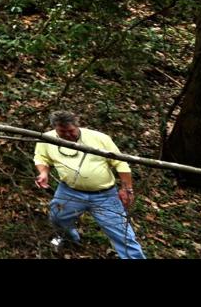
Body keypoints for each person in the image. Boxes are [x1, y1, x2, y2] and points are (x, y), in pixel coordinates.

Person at [33, 110, 147, 259]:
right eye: (62, 132)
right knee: (57, 218)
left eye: (71, 131)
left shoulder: (99, 138)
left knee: (122, 234)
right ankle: (69, 238)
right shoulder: (47, 139)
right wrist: (43, 173)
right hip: (69, 191)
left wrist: (127, 189)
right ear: (55, 129)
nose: (67, 135)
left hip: (104, 196)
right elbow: (41, 157)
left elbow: (120, 163)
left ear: (77, 125)